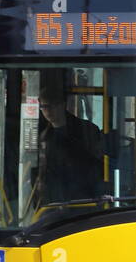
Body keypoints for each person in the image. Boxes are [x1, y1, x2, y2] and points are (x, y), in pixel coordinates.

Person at [35, 77, 105, 205]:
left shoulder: (87, 130)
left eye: (53, 105)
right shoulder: (43, 136)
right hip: (53, 203)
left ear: (63, 104)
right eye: (44, 106)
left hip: (83, 201)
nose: (48, 111)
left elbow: (97, 166)